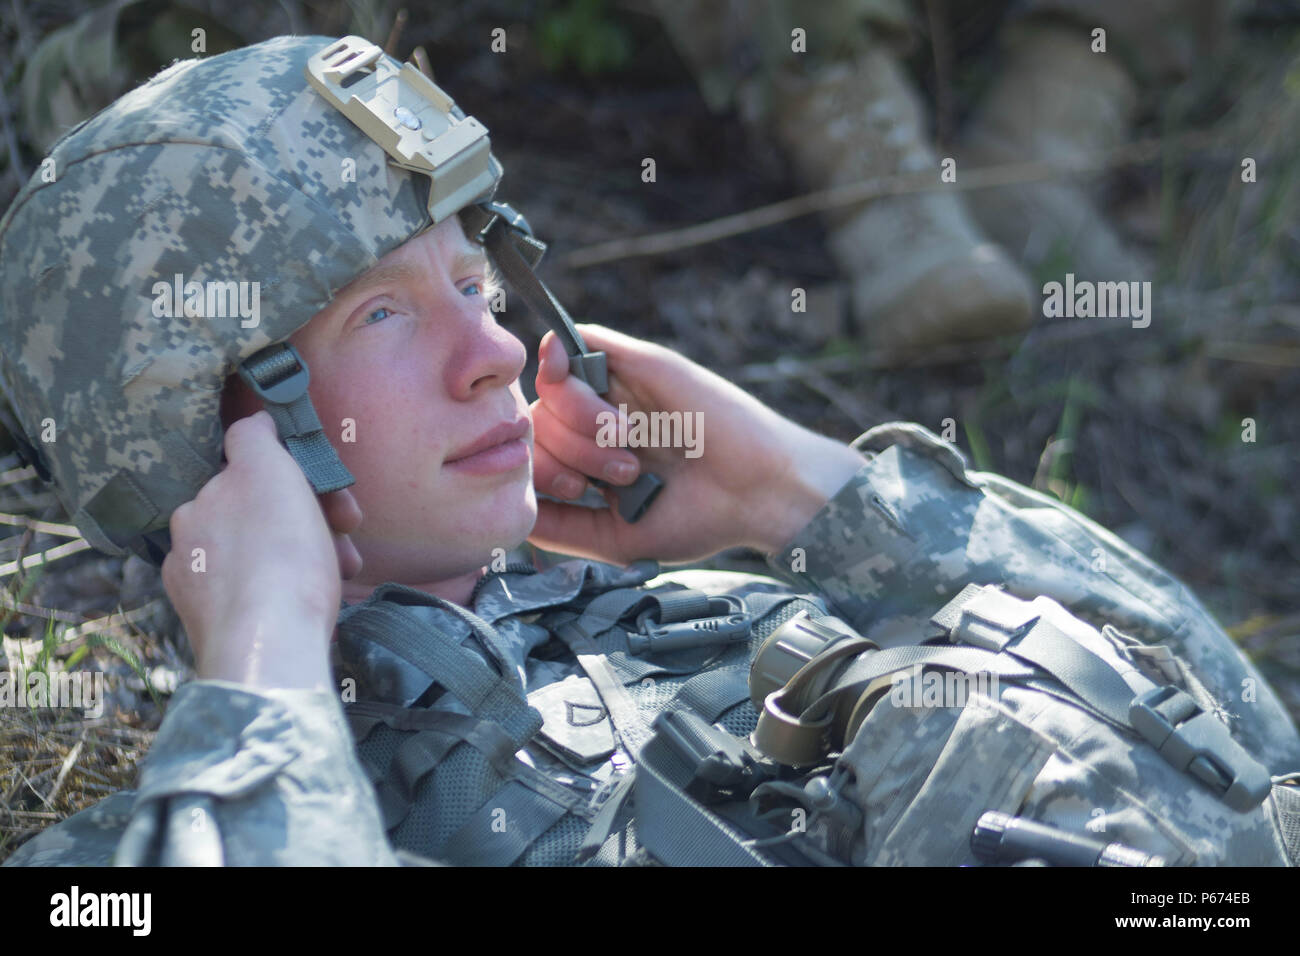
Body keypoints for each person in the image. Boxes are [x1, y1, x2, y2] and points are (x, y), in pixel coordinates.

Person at [1, 35, 1296, 867]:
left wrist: (801, 490)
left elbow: (1251, 765)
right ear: (215, 437)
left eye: (478, 282)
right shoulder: (155, 852)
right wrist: (269, 675)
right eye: (381, 314)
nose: (495, 354)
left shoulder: (712, 617)